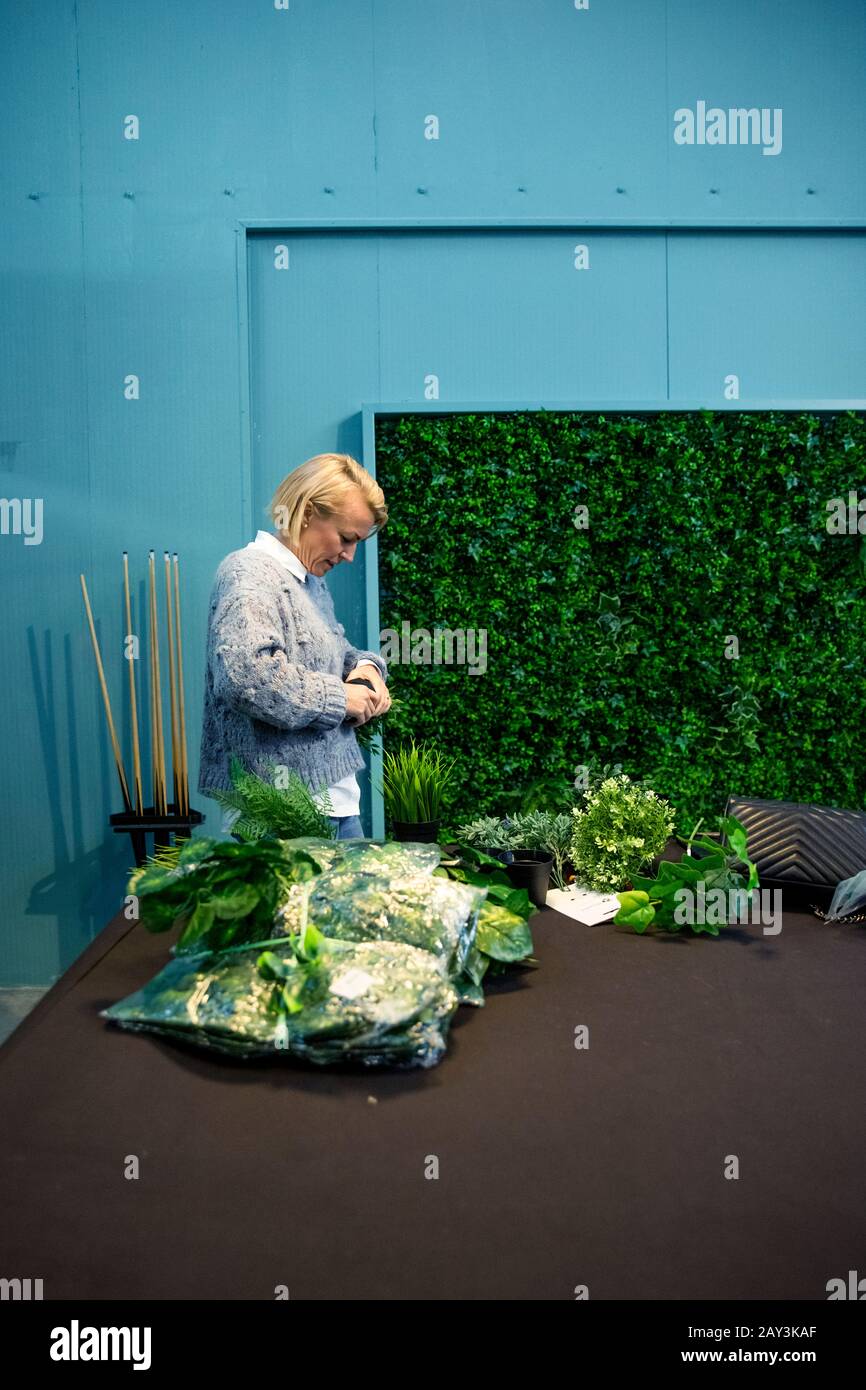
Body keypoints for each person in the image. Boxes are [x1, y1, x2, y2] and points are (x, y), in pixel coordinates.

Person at [198, 452, 391, 839]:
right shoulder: (248, 573)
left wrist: (369, 669)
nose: (350, 555)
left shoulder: (308, 582)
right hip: (282, 810)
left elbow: (336, 651)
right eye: (346, 538)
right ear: (306, 513)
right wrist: (341, 698)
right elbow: (247, 677)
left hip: (332, 802)